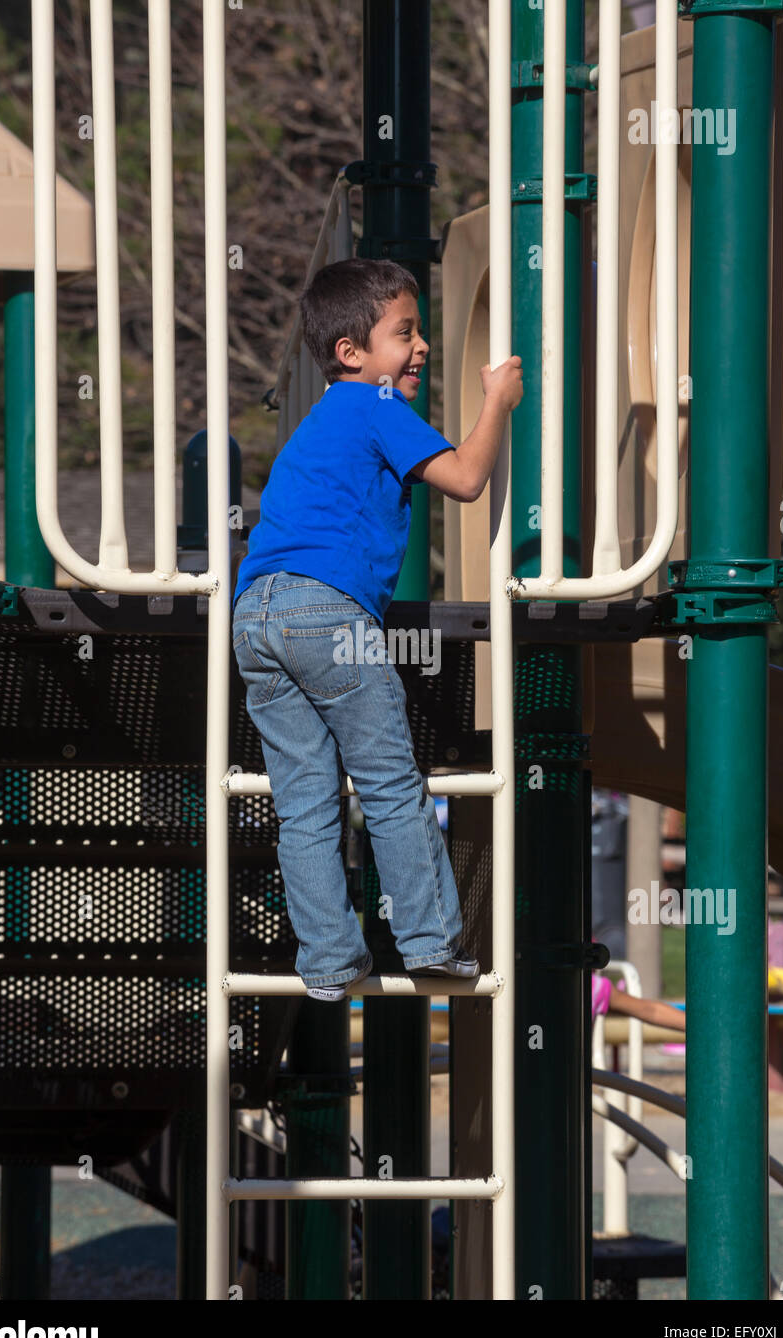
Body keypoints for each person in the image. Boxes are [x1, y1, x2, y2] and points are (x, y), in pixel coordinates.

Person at [231, 258, 523, 1001]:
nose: (420, 346)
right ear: (351, 353)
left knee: (304, 798)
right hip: (328, 614)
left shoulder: (316, 423)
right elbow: (462, 478)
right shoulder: (374, 401)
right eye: (405, 332)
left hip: (257, 614)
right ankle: (428, 942)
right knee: (391, 784)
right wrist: (498, 404)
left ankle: (329, 959)